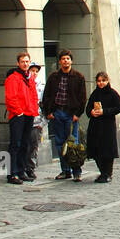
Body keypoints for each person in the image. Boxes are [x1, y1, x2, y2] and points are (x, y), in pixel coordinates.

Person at [41, 50, 88, 182]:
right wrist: (48, 112)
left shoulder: (78, 77)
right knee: (60, 143)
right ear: (60, 61)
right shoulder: (54, 77)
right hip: (57, 113)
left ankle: (76, 171)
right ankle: (65, 170)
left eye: (68, 59)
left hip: (71, 114)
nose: (65, 61)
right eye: (63, 59)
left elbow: (82, 98)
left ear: (71, 61)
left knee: (73, 143)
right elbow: (47, 95)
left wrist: (77, 114)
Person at [4, 52, 39, 184]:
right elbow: (10, 98)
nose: (25, 64)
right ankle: (12, 173)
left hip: (29, 114)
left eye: (27, 62)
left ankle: (21, 170)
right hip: (18, 115)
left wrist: (33, 110)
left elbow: (34, 95)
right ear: (18, 63)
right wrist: (19, 112)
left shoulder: (29, 78)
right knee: (15, 144)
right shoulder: (13, 78)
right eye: (23, 62)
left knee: (25, 144)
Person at [85, 72, 120, 183]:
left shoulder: (113, 93)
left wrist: (104, 111)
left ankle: (108, 173)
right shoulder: (95, 93)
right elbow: (88, 109)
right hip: (95, 126)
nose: (101, 83)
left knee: (107, 151)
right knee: (95, 150)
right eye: (99, 81)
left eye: (103, 80)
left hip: (107, 126)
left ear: (107, 81)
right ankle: (102, 172)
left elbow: (118, 108)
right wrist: (91, 112)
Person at [24, 63, 45, 180]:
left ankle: (30, 168)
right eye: (32, 70)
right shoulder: (24, 83)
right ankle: (22, 166)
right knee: (24, 144)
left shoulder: (42, 86)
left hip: (37, 120)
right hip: (26, 118)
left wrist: (43, 122)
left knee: (34, 145)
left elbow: (45, 103)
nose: (34, 73)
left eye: (36, 71)